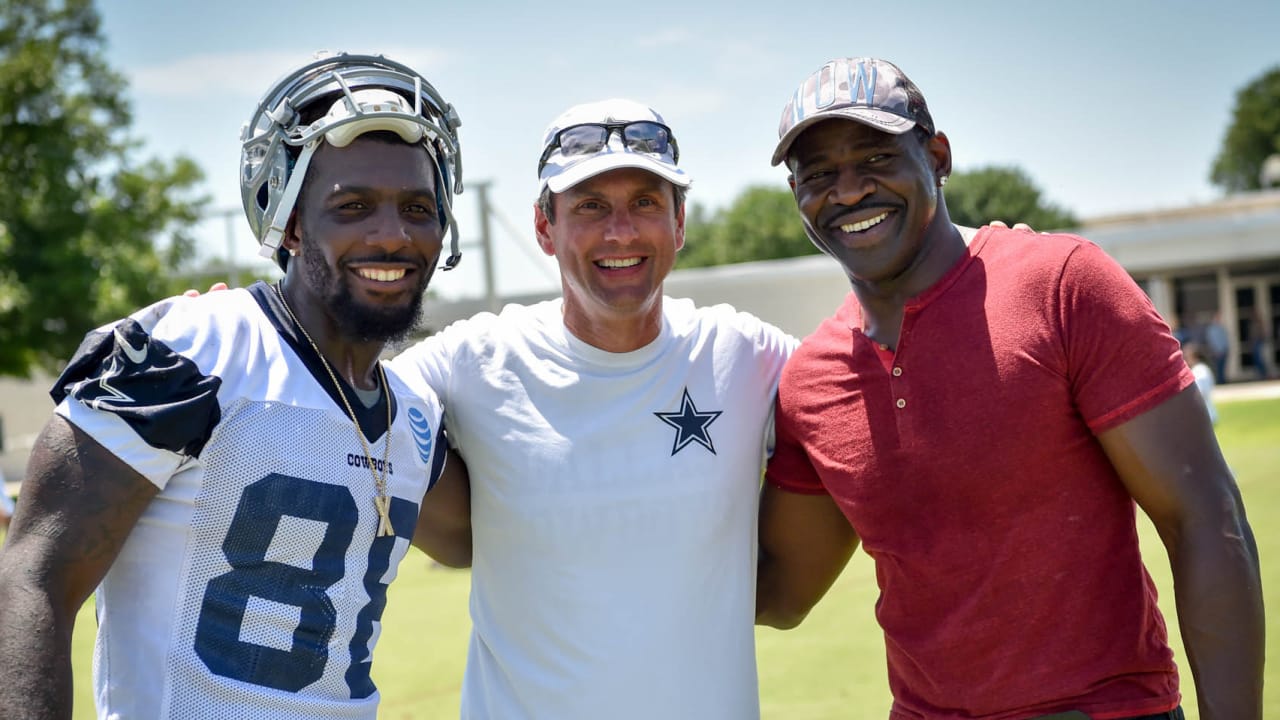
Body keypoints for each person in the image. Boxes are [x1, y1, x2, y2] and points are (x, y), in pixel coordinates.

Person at [756, 57, 1263, 720]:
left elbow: (1205, 518)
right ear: (796, 194)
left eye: (876, 157)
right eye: (819, 174)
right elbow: (780, 594)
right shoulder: (811, 380)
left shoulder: (1062, 285)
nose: (848, 192)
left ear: (937, 157)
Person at [0, 52, 471, 719]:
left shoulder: (412, 414)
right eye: (353, 206)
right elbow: (33, 580)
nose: (392, 235)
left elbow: (474, 541)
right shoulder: (197, 350)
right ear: (292, 220)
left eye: (417, 208)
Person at [389, 98, 796, 719]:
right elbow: (336, 403)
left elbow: (867, 386)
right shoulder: (472, 360)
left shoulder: (744, 352)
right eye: (590, 206)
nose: (621, 232)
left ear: (679, 222)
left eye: (646, 203)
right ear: (544, 227)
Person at [1183, 341, 1218, 424]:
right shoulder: (1201, 369)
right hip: (1206, 412)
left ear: (1195, 357)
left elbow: (1199, 393)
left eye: (1187, 356)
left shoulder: (1199, 370)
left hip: (1204, 413)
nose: (1185, 359)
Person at [1203, 311, 1230, 384]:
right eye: (1217, 317)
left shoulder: (1222, 328)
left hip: (1224, 351)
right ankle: (1219, 381)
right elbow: (1211, 341)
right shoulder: (1211, 329)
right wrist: (1215, 351)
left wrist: (1226, 349)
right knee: (1218, 368)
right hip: (1216, 352)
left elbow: (1225, 339)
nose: (1219, 319)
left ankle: (1222, 380)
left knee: (1223, 367)